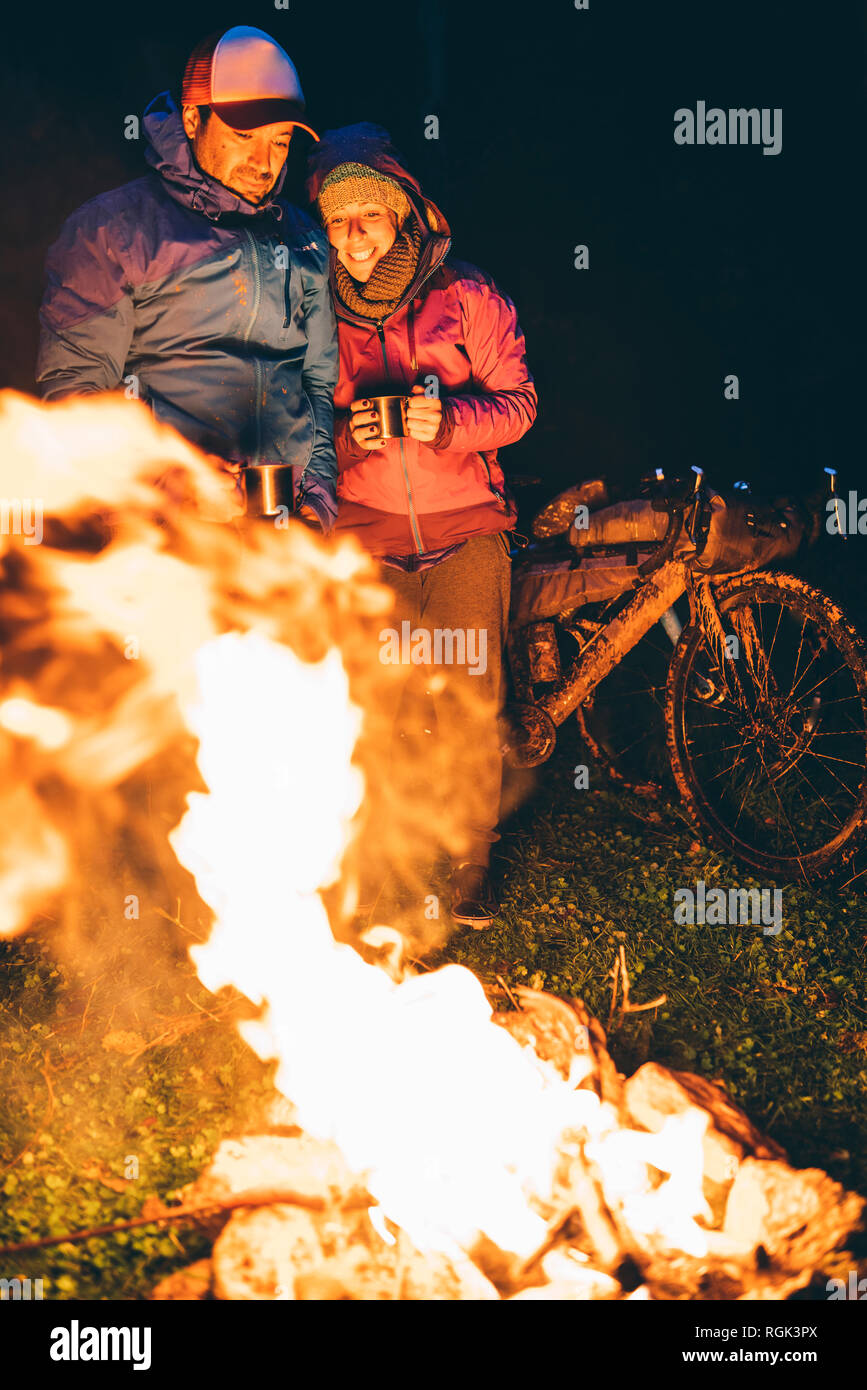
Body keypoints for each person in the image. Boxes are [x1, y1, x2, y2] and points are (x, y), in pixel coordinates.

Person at [307, 125, 537, 926]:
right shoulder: (315, 311)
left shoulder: (467, 297)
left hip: (465, 528)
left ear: (402, 215)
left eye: (366, 216)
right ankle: (377, 856)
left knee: (471, 695)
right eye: (337, 222)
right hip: (367, 538)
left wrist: (446, 423)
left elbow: (518, 406)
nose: (352, 237)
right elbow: (297, 429)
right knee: (377, 702)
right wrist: (344, 438)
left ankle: (470, 855)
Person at [36, 25, 338, 530]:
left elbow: (316, 382)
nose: (265, 163)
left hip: (284, 542)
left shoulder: (304, 238)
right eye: (244, 136)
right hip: (168, 538)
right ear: (193, 118)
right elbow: (74, 392)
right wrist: (174, 482)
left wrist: (318, 495)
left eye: (280, 141)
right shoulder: (112, 230)